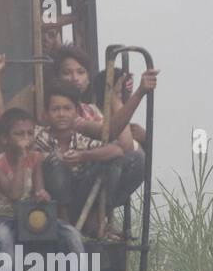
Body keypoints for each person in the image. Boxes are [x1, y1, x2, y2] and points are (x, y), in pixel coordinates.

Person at [0, 108, 97, 271]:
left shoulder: (36, 158)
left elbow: (38, 189)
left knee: (71, 234)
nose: (26, 139)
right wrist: (20, 160)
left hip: (28, 217)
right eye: (19, 134)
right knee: (3, 242)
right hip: (4, 219)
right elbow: (15, 194)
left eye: (29, 133)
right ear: (5, 139)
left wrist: (42, 194)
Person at [33, 81, 139, 240]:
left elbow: (117, 150)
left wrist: (83, 156)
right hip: (52, 204)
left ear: (76, 112)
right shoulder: (38, 135)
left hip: (81, 199)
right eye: (56, 109)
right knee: (55, 161)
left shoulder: (82, 137)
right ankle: (66, 224)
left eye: (67, 109)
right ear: (46, 114)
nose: (61, 114)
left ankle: (94, 220)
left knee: (132, 160)